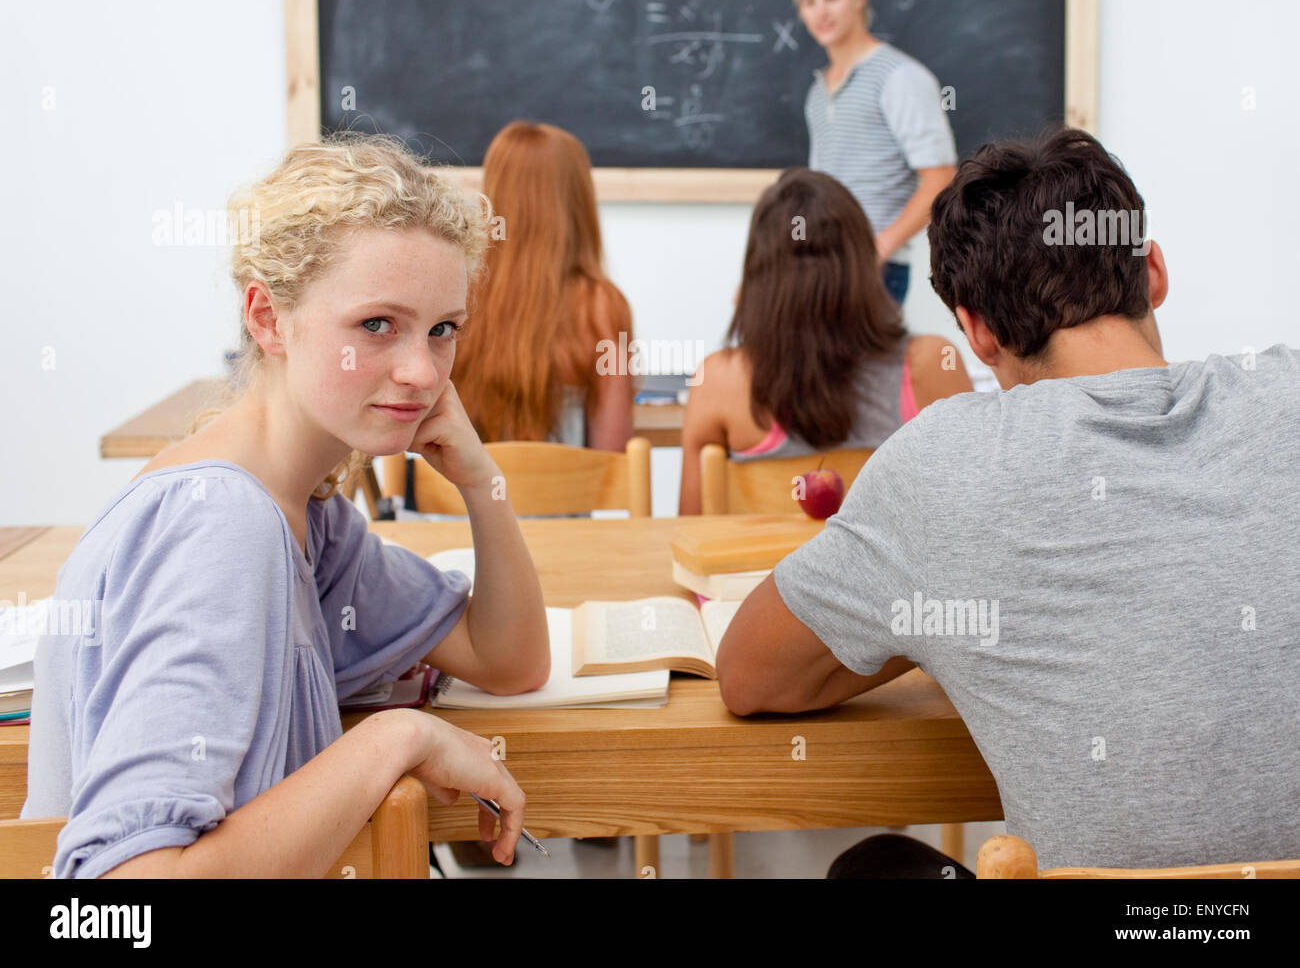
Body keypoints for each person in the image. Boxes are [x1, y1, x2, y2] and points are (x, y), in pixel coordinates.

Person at [715, 126, 1300, 876]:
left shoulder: (944, 464)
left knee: (873, 868)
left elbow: (752, 677)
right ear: (1153, 271)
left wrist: (930, 616)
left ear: (978, 332)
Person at [22, 134, 551, 877]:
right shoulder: (221, 528)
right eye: (376, 325)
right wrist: (396, 738)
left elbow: (509, 659)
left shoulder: (310, 516)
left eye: (443, 330)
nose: (422, 371)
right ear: (268, 319)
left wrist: (480, 480)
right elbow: (122, 897)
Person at [678, 167, 971, 515]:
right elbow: (967, 517)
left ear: (758, 276)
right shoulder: (932, 363)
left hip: (760, 572)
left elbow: (689, 534)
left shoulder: (718, 379)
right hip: (880, 572)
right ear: (864, 265)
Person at [452, 120, 636, 451]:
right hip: (565, 501)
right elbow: (612, 456)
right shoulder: (601, 306)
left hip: (457, 503)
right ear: (578, 201)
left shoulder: (456, 292)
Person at [793, 0, 957, 306]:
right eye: (809, 1)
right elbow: (820, 189)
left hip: (874, 271)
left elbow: (941, 178)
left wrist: (879, 247)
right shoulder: (817, 93)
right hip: (820, 266)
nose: (820, 11)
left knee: (863, 365)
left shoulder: (899, 77)